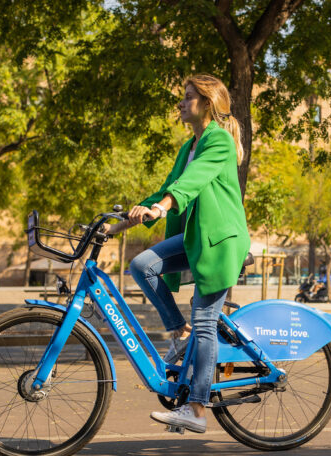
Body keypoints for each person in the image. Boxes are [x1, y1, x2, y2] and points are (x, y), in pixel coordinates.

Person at [101, 74, 250, 434]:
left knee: (205, 323)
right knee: (143, 265)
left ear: (208, 104)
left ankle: (197, 409)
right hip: (196, 239)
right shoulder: (189, 146)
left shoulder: (219, 141)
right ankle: (177, 331)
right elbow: (167, 188)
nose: (181, 103)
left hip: (221, 243)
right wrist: (115, 224)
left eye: (187, 97)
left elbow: (191, 183)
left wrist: (166, 206)